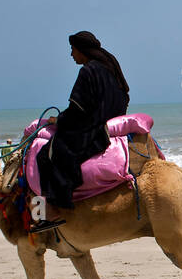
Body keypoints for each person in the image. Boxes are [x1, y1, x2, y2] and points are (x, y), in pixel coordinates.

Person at [30, 31, 130, 233]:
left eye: (72, 50)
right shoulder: (110, 67)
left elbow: (78, 110)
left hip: (91, 129)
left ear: (82, 50)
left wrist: (59, 120)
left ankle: (47, 214)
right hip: (105, 124)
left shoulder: (88, 71)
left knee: (44, 155)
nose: (71, 55)